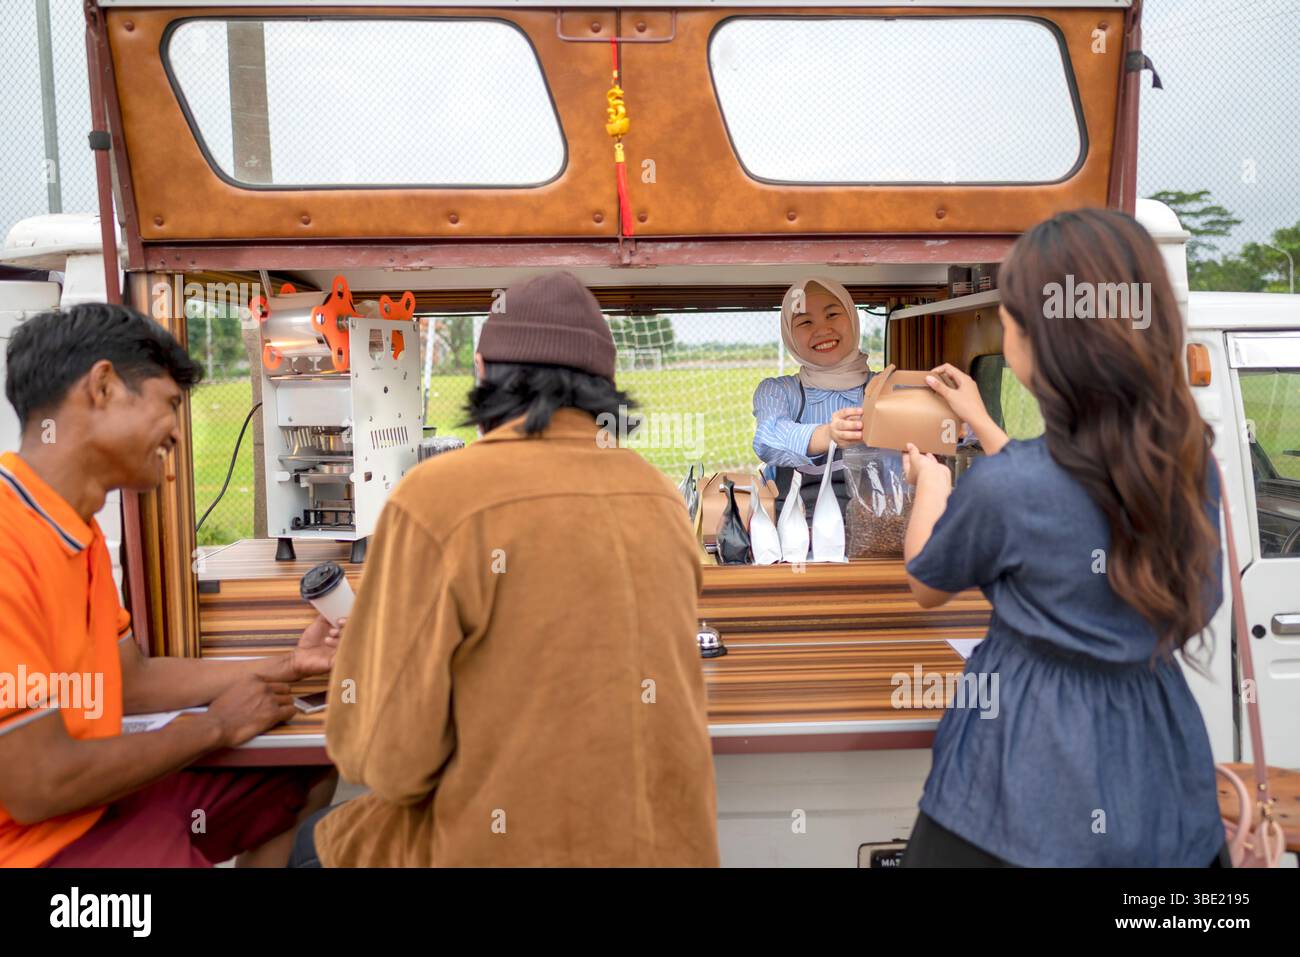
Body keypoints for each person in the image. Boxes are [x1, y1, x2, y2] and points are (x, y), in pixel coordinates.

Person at [291, 270, 719, 867]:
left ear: (484, 369)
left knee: (310, 845)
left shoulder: (436, 497)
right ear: (605, 385)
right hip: (671, 850)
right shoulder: (661, 497)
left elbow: (386, 762)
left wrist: (363, 665)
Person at [899, 208, 1229, 867]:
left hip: (1014, 773)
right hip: (1159, 759)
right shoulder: (1189, 466)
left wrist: (930, 491)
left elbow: (925, 582)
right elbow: (1067, 491)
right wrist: (984, 426)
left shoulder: (1006, 487)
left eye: (1012, 318)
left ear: (1045, 341)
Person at [0, 303, 338, 868]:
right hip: (40, 847)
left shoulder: (70, 529)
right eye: (170, 406)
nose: (178, 434)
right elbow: (38, 786)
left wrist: (286, 667)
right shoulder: (10, 543)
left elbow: (131, 682)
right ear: (103, 387)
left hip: (99, 802)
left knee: (300, 772)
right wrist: (214, 727)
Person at [752, 277, 878, 519]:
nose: (822, 330)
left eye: (832, 315)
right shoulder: (779, 391)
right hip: (797, 538)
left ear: (853, 318)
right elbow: (768, 438)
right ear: (789, 335)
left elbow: (942, 429)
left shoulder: (883, 387)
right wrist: (830, 434)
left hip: (874, 533)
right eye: (805, 321)